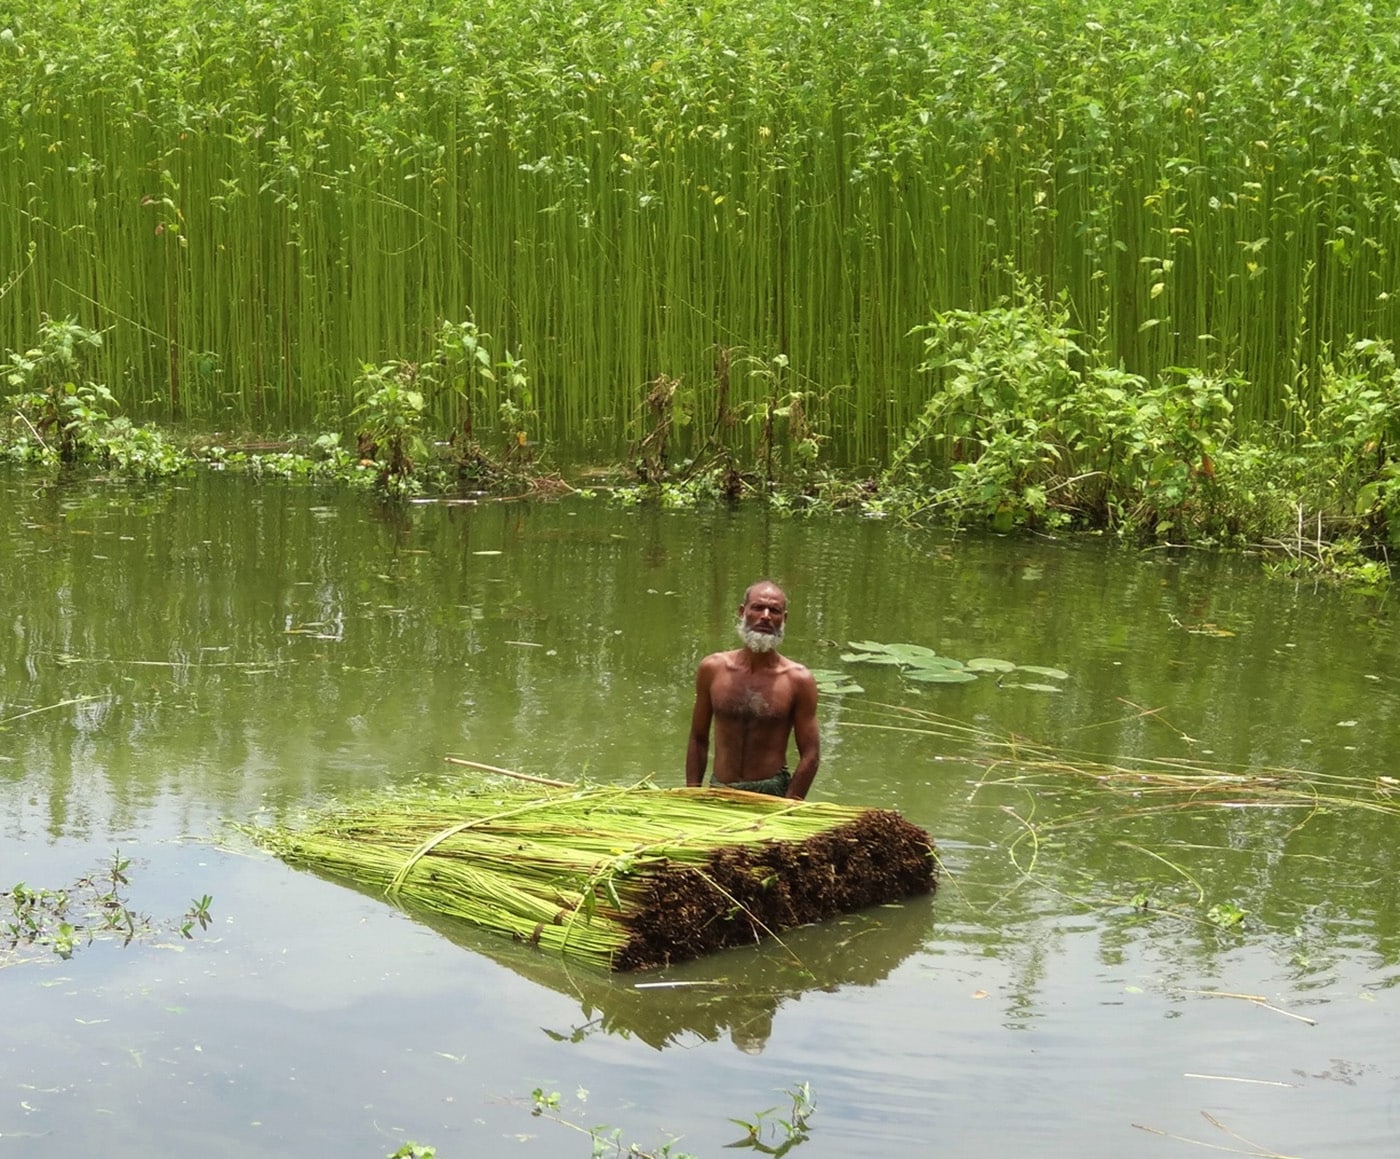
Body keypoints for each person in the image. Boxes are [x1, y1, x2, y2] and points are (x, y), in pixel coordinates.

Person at [685, 579, 820, 799]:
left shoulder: (798, 680)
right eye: (757, 608)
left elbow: (811, 754)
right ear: (742, 612)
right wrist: (691, 793)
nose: (765, 616)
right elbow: (698, 738)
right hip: (719, 790)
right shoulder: (713, 669)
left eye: (774, 610)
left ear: (783, 619)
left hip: (771, 792)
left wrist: (789, 805)